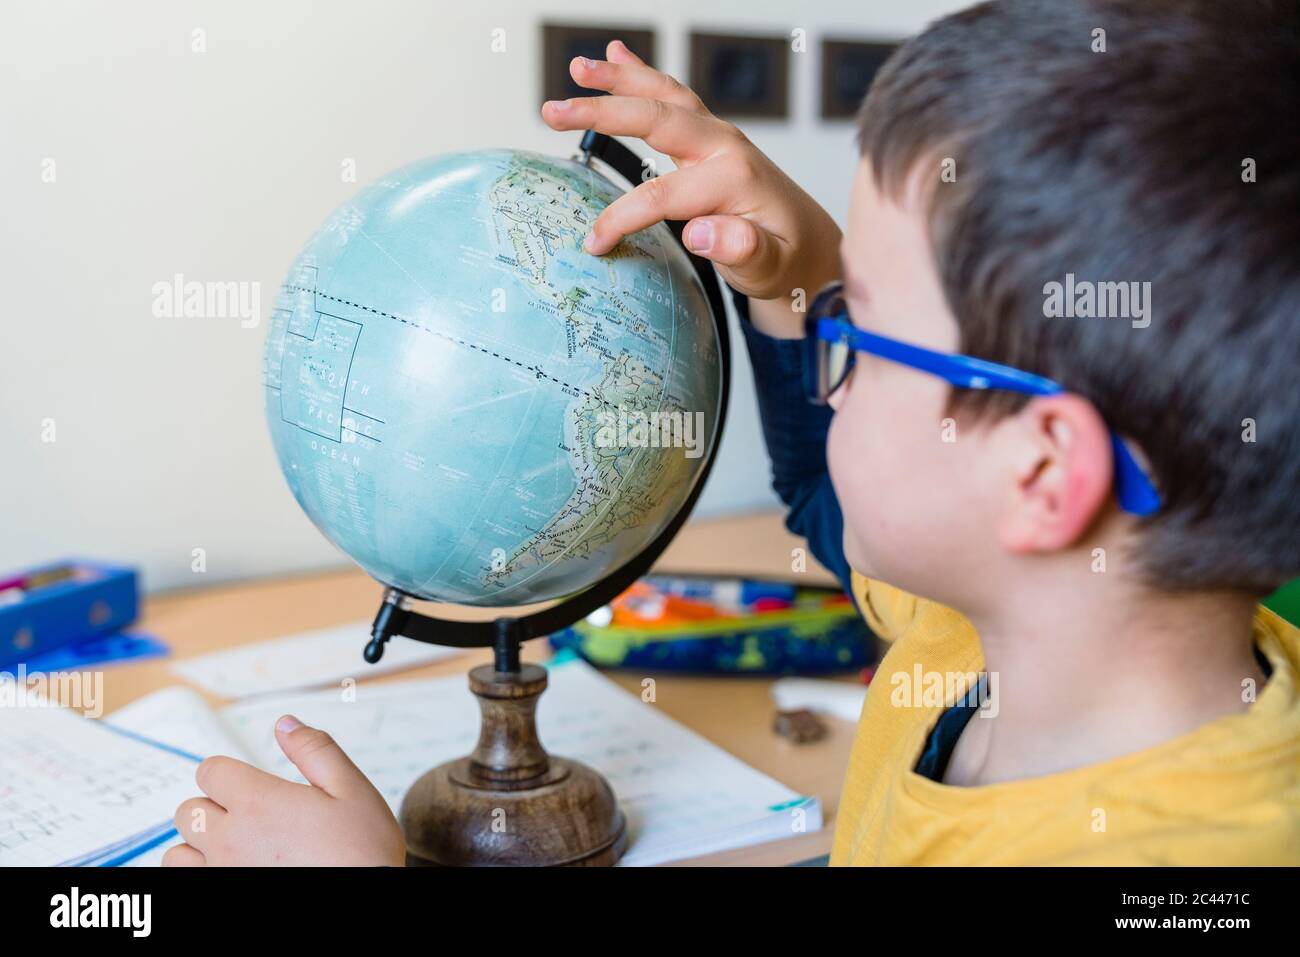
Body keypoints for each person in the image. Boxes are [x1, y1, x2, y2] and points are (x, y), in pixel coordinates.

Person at [165, 0, 1300, 866]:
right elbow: (832, 510)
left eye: (863, 322)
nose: (829, 355)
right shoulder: (997, 631)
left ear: (1042, 472)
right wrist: (795, 276)